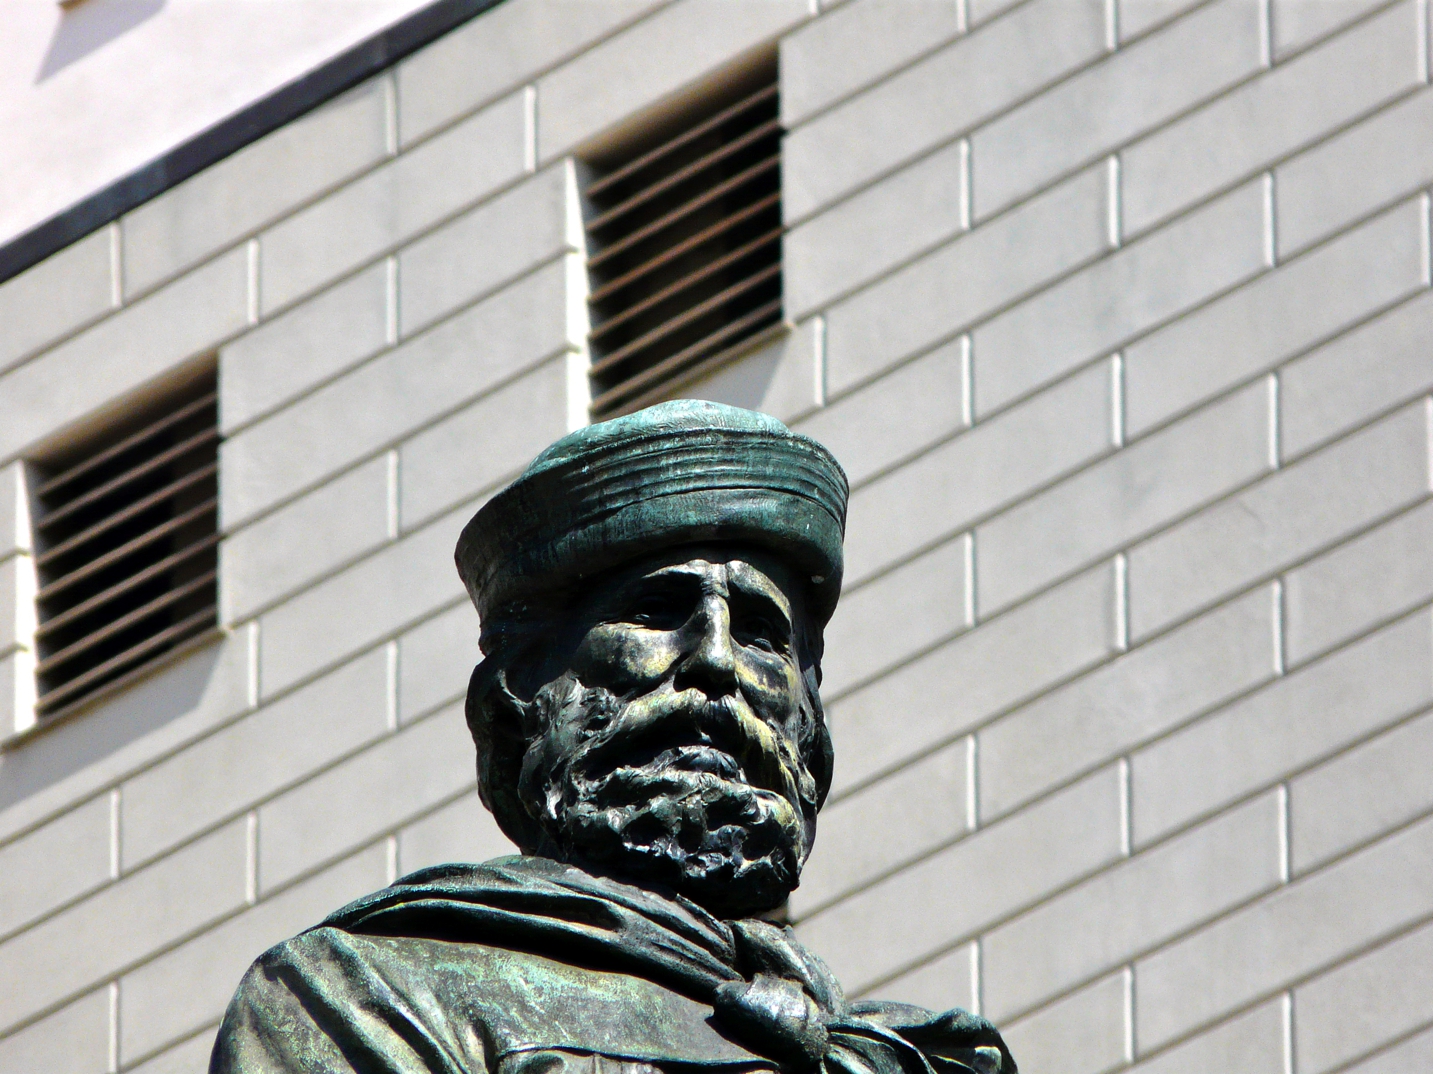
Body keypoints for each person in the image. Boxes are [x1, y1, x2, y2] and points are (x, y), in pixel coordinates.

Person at [210, 401, 1016, 1074]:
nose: (715, 661)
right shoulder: (365, 992)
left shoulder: (896, 1054)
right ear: (520, 702)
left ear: (809, 730)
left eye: (763, 634)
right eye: (657, 612)